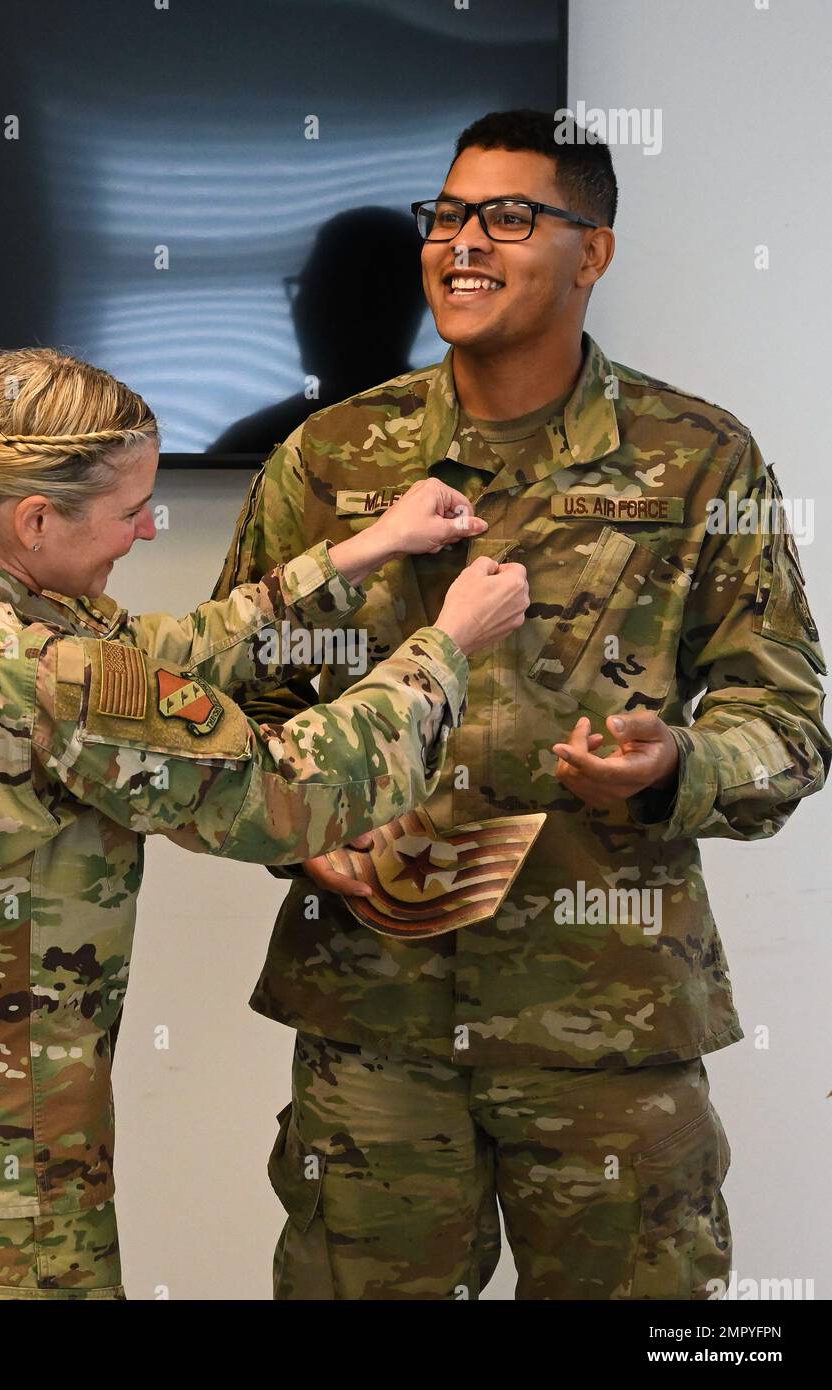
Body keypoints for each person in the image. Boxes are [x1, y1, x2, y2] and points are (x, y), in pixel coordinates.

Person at [212, 109, 830, 1299]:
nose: (463, 243)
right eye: (445, 216)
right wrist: (316, 829)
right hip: (378, 1021)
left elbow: (788, 721)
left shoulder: (699, 457)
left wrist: (676, 764)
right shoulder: (332, 457)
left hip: (606, 1026)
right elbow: (233, 708)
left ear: (591, 252)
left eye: (507, 217)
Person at [0, 346, 531, 1300]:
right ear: (34, 520)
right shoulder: (42, 676)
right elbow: (282, 797)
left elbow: (142, 662)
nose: (147, 530)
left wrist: (356, 552)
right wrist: (446, 647)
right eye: (128, 512)